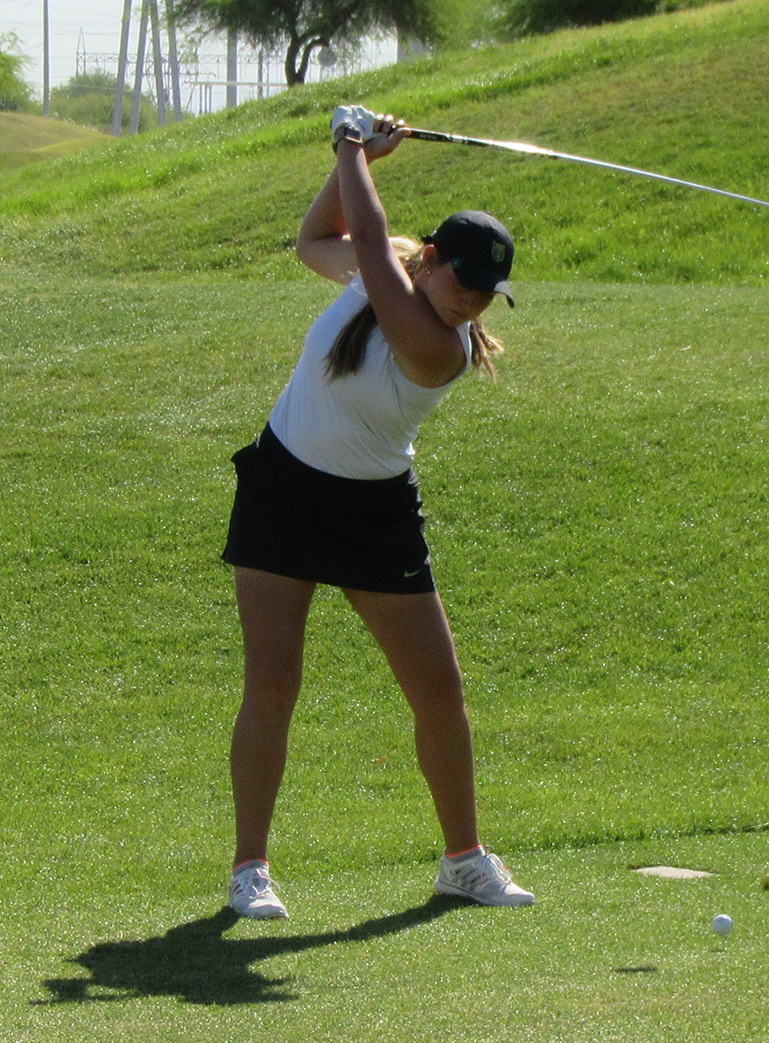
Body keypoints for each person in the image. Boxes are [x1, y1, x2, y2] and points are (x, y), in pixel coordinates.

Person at [219, 104, 533, 920]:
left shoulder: (440, 348)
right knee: (273, 681)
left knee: (438, 689)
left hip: (373, 513)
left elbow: (363, 239)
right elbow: (318, 239)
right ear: (430, 260)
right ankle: (249, 870)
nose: (473, 303)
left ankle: (464, 860)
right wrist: (358, 161)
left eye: (487, 295)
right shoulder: (387, 267)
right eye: (464, 283)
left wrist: (352, 144)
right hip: (283, 490)